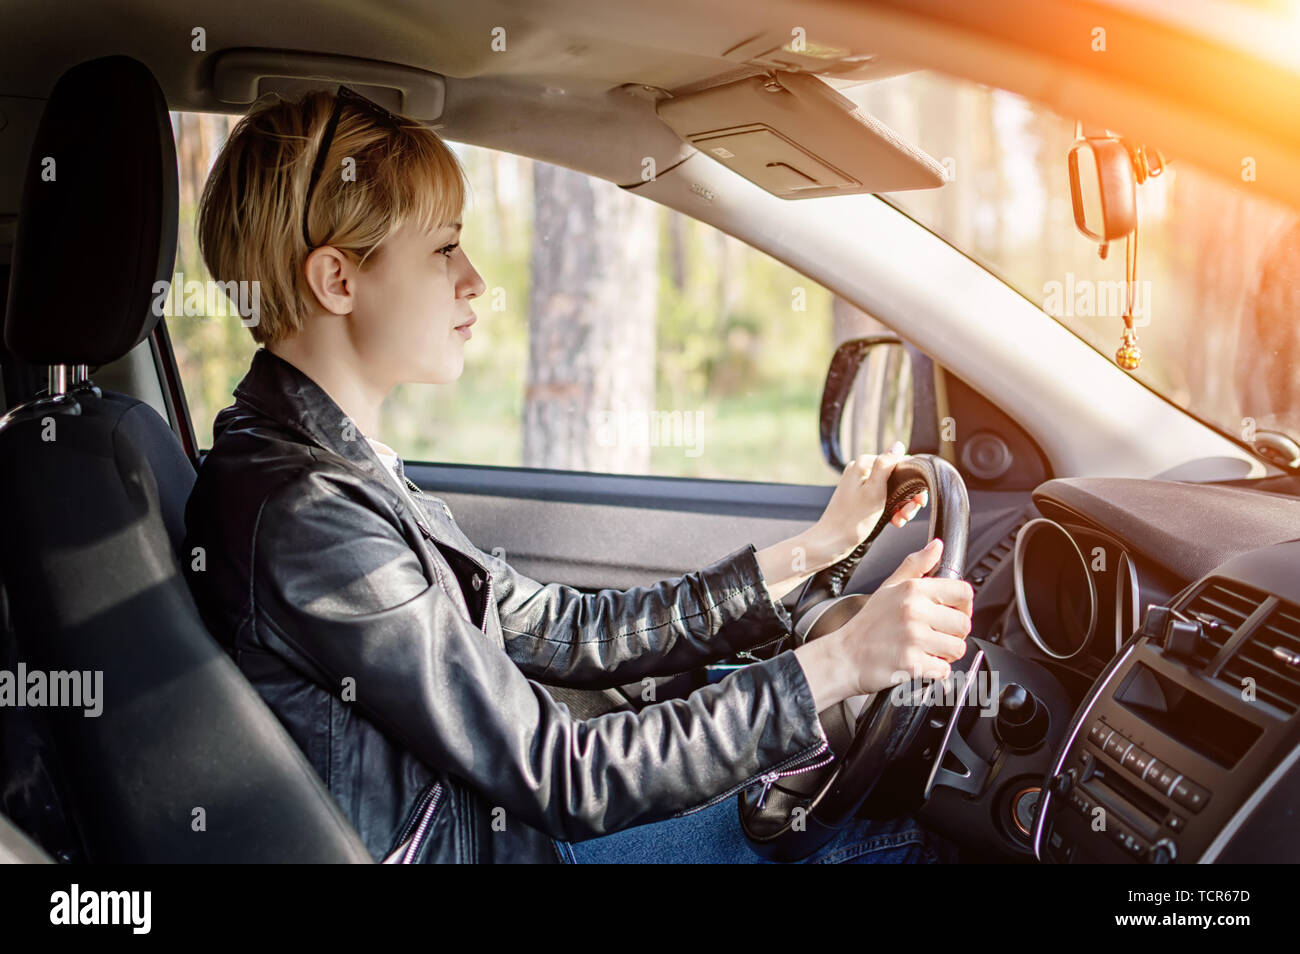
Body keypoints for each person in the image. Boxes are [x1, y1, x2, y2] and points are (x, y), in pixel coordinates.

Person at [183, 86, 974, 864]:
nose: (473, 281)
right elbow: (560, 774)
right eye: (442, 249)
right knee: (906, 838)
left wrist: (818, 547)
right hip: (503, 840)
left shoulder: (334, 463)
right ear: (338, 282)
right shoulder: (307, 512)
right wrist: (839, 664)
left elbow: (553, 627)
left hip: (498, 819)